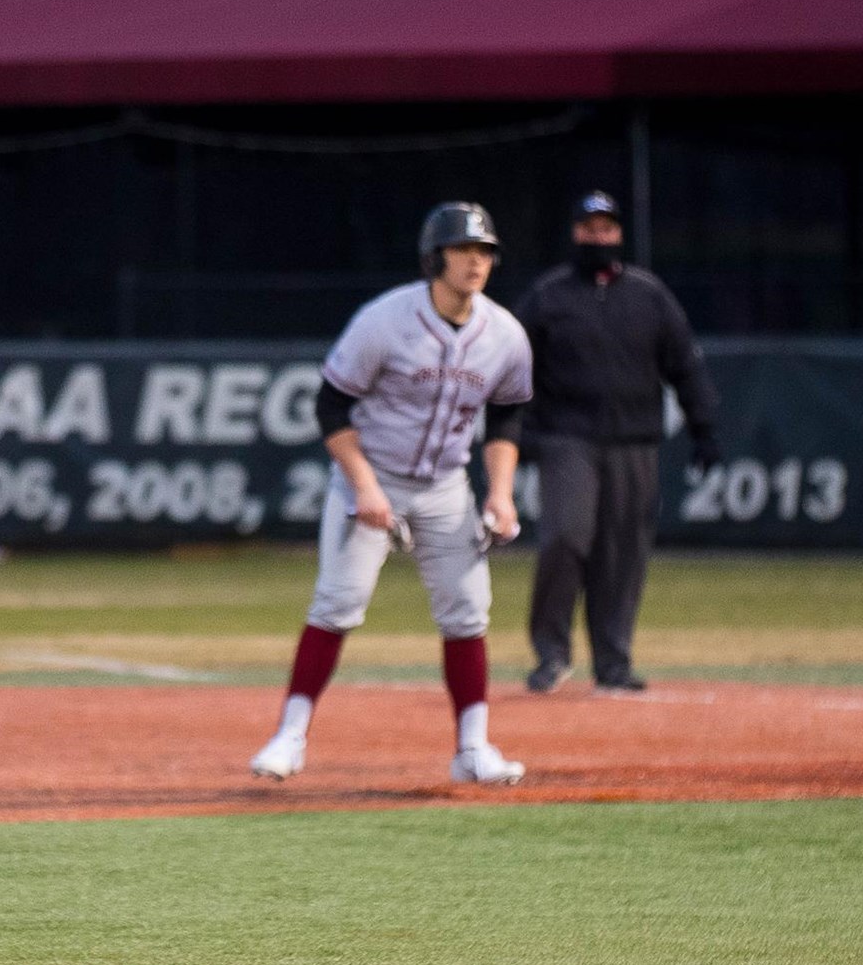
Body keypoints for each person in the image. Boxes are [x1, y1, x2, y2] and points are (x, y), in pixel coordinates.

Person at [249, 202, 532, 786]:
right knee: (337, 603)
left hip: (447, 486)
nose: (476, 262)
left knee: (467, 612)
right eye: (464, 250)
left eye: (485, 252)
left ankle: (473, 748)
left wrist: (500, 494)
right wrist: (365, 487)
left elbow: (506, 417)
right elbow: (330, 404)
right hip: (372, 474)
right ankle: (290, 737)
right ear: (436, 257)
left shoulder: (504, 334)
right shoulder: (386, 320)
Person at [513, 190, 721, 695]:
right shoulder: (549, 296)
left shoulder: (649, 296)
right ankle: (552, 654)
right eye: (589, 228)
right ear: (575, 233)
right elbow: (513, 367)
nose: (598, 236)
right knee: (565, 537)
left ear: (620, 234)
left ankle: (613, 662)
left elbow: (685, 366)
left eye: (607, 228)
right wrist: (515, 434)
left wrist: (705, 427)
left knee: (622, 552)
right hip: (568, 438)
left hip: (635, 442)